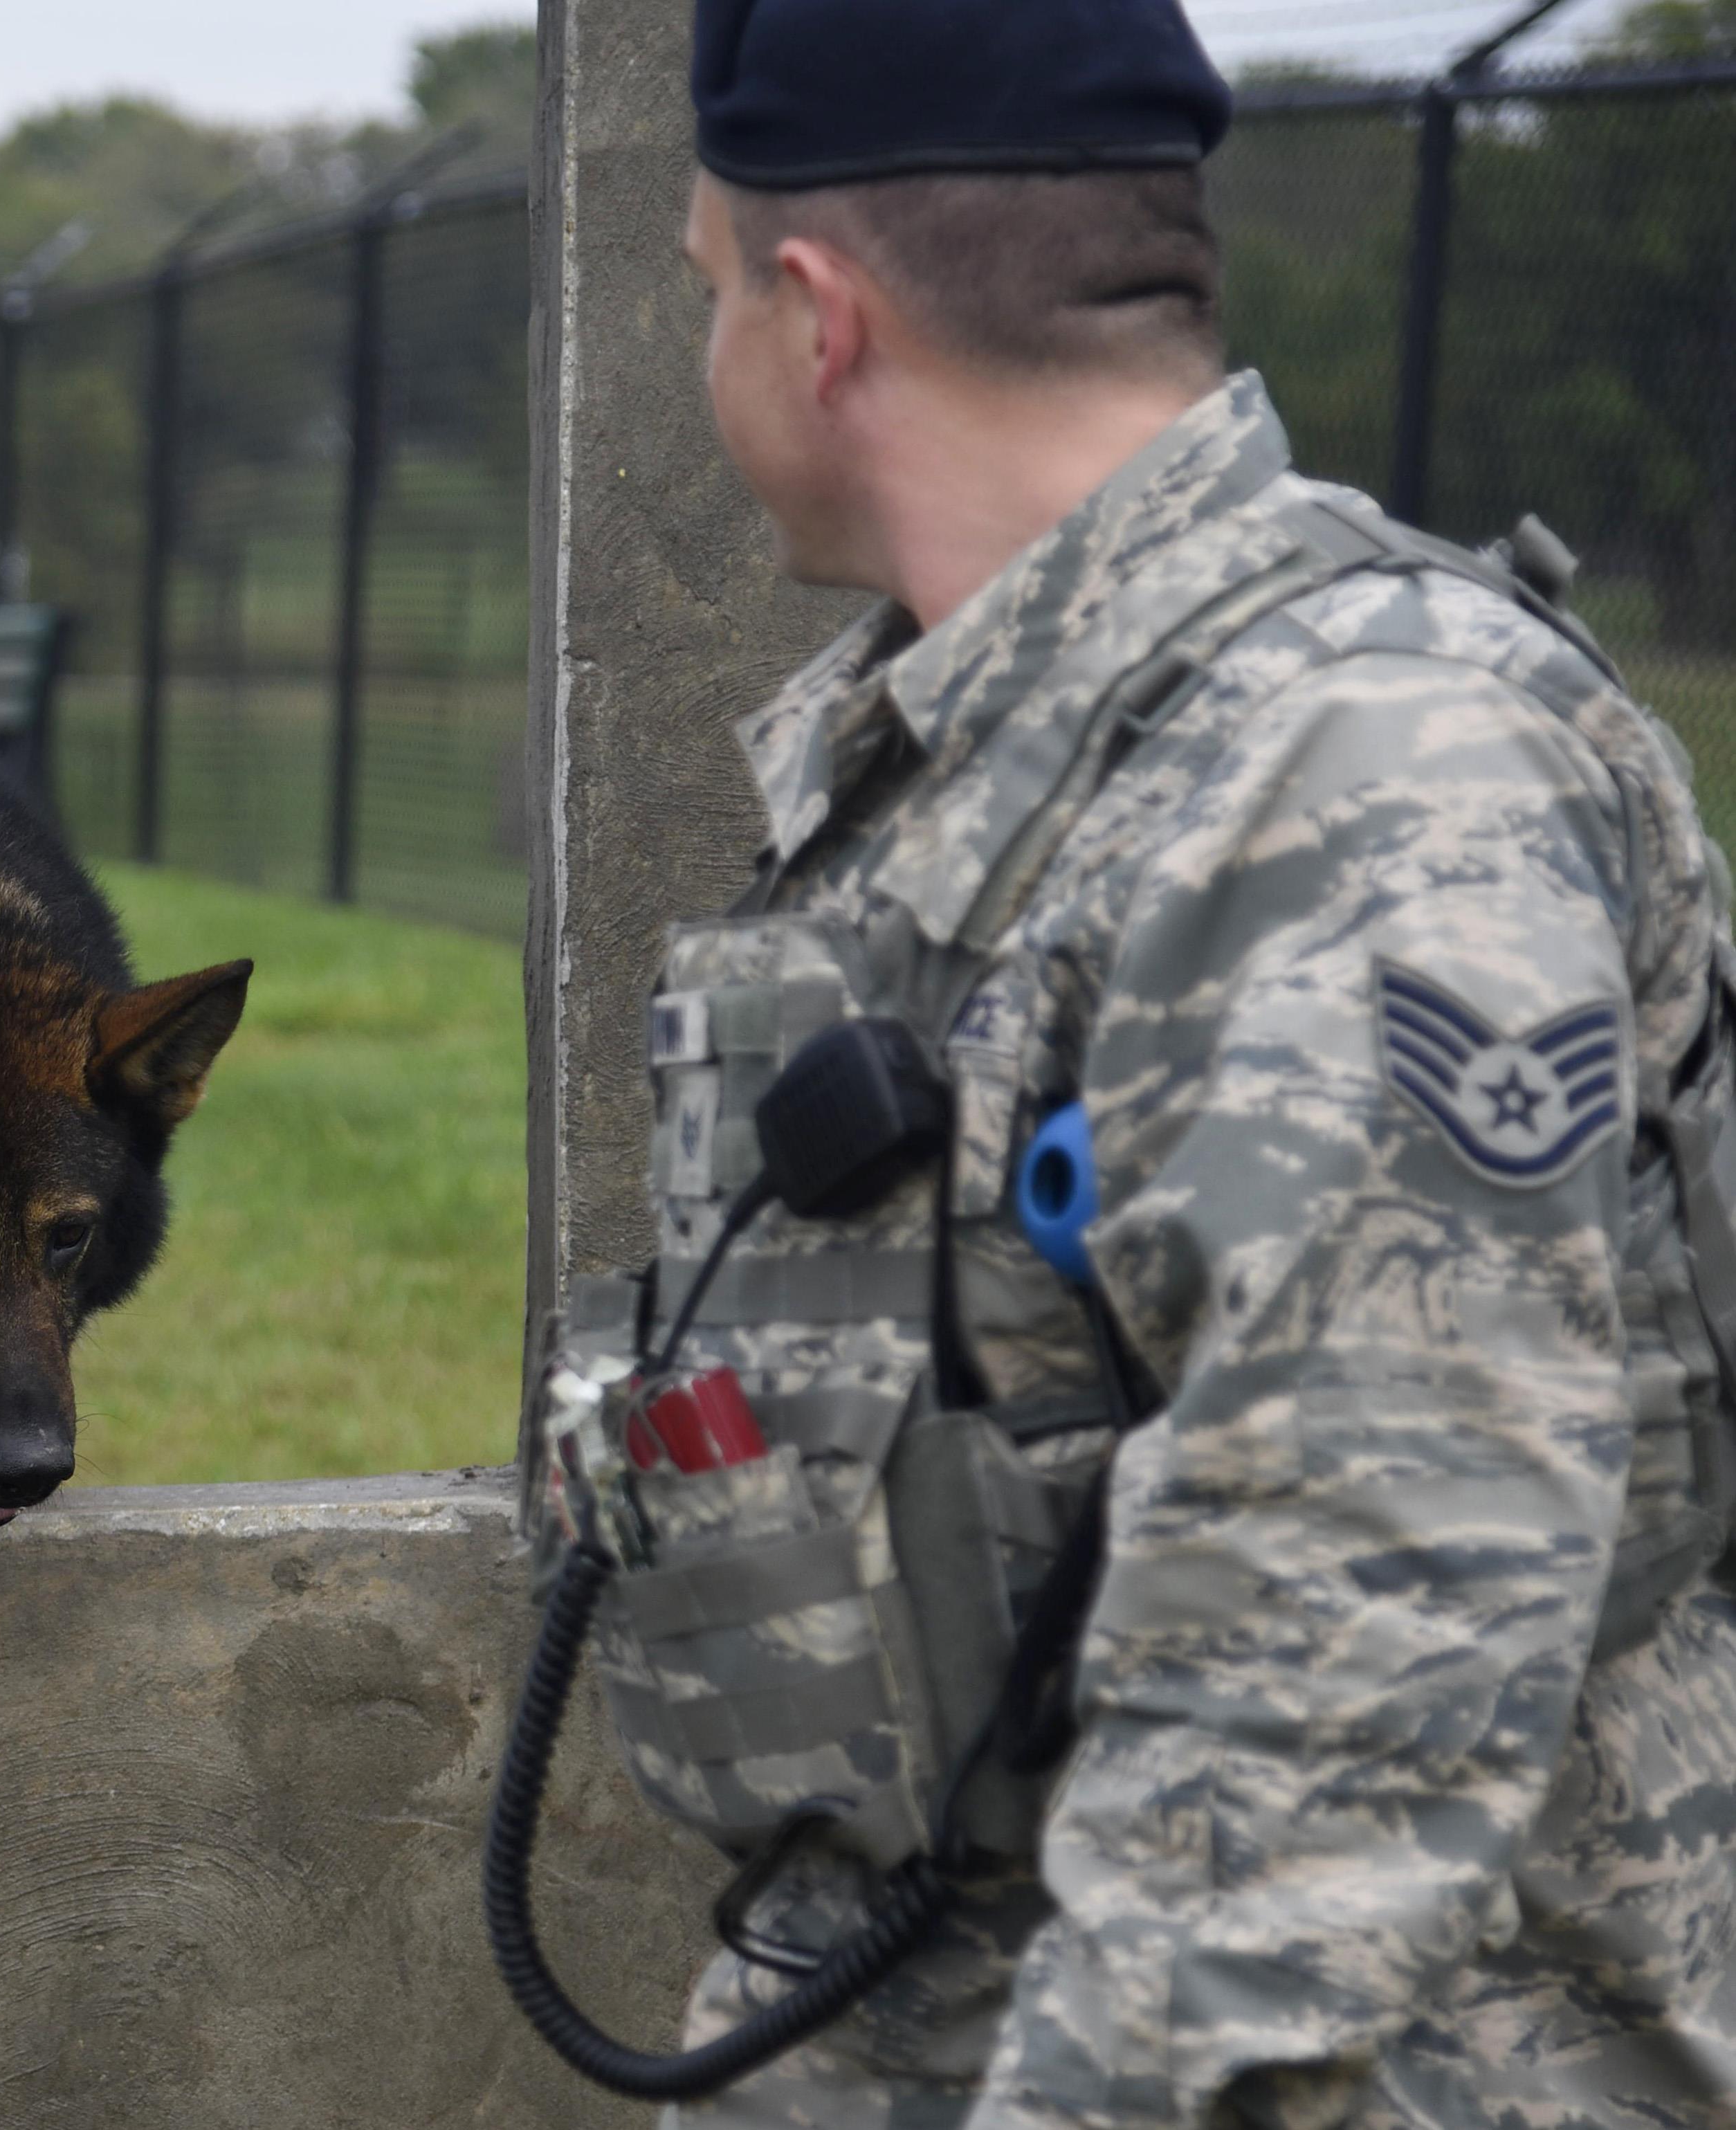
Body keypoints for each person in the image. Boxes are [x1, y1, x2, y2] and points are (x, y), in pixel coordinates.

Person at [565, 1, 1736, 2123]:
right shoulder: (1002, 757)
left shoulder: (1360, 778)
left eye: (707, 287)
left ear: (814, 319)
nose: (707, 345)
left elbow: (1330, 1725)